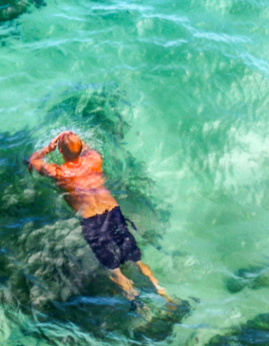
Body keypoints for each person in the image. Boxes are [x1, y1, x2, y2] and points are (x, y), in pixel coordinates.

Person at [28, 131, 173, 308]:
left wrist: (49, 147)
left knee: (115, 271)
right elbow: (86, 149)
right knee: (137, 261)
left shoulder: (59, 172)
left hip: (92, 222)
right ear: (80, 148)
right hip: (113, 212)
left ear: (60, 151)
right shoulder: (94, 159)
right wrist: (75, 141)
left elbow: (33, 160)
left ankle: (141, 307)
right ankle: (162, 291)